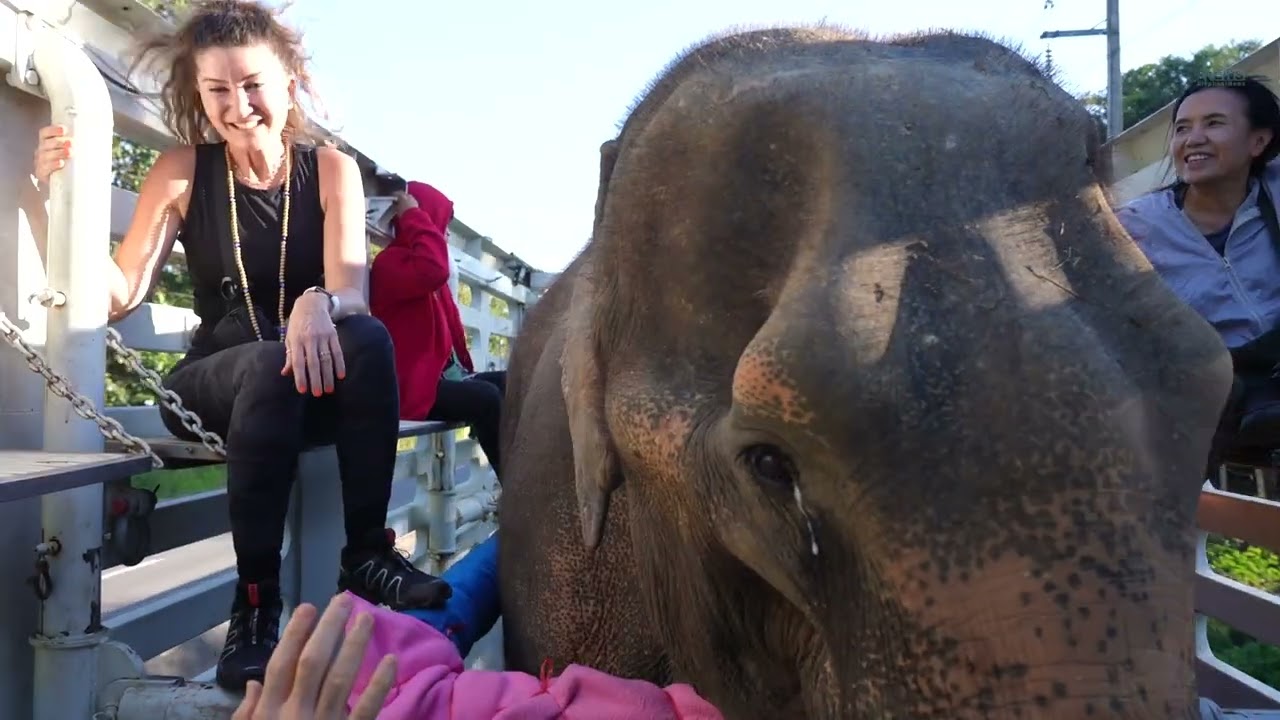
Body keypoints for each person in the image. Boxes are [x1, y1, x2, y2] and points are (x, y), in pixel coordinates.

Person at [31, 0, 450, 692]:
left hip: (302, 386)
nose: (238, 105)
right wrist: (62, 196)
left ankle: (367, 554)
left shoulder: (332, 171)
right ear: (200, 95)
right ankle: (255, 606)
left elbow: (354, 294)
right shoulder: (180, 170)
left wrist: (318, 301)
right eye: (217, 90)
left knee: (366, 337)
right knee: (263, 363)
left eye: (253, 84)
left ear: (289, 82)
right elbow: (118, 293)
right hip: (213, 385)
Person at [231, 586, 726, 720]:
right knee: (468, 584)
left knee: (475, 578)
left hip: (409, 666)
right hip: (409, 663)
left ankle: (508, 523)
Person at [1116, 73, 1280, 469]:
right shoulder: (1133, 227)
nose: (1194, 138)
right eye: (1182, 128)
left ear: (1259, 142)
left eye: (1215, 123)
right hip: (1207, 395)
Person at [370, 181, 506, 477]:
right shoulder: (390, 264)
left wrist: (466, 372)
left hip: (437, 380)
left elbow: (451, 328)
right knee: (486, 398)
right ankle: (515, 488)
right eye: (440, 224)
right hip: (412, 391)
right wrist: (414, 215)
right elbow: (435, 269)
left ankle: (528, 468)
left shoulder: (418, 266)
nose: (443, 234)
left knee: (511, 381)